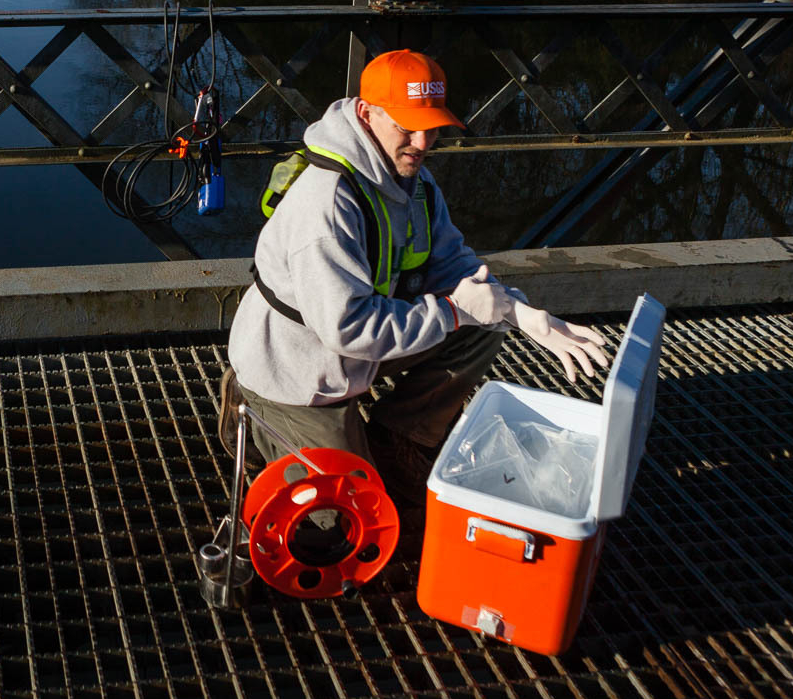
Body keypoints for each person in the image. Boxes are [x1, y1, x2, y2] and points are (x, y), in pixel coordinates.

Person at [219, 48, 609, 507]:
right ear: (366, 114)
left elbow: (453, 265)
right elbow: (350, 329)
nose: (423, 143)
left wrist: (518, 311)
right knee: (344, 517)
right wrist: (452, 311)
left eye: (432, 127)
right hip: (298, 370)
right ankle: (247, 406)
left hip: (357, 348)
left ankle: (399, 438)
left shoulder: (415, 182)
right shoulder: (325, 204)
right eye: (407, 126)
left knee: (483, 329)